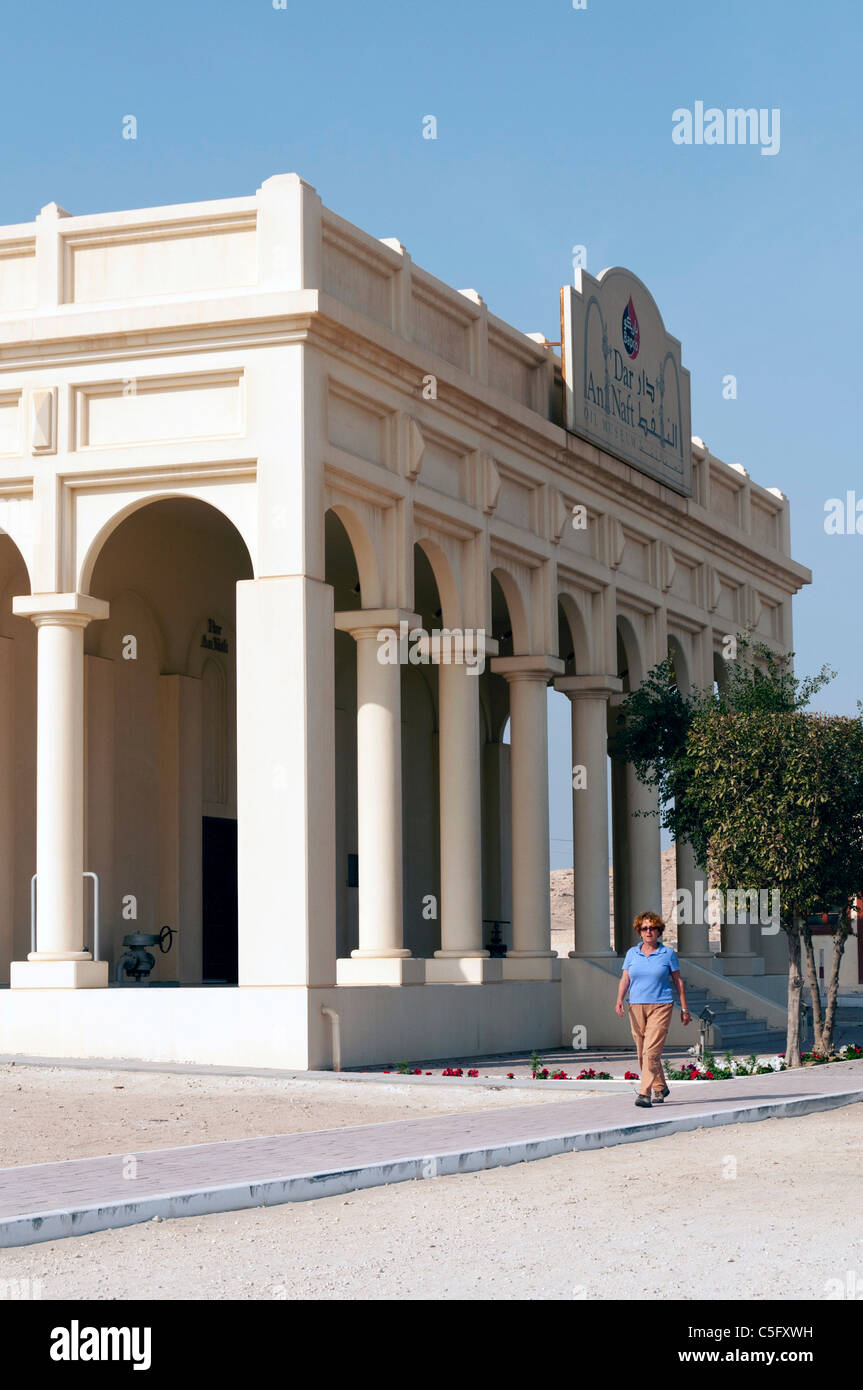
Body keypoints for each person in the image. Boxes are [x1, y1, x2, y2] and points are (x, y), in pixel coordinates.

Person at [615, 910, 691, 1107]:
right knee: (642, 1052)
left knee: (651, 1051)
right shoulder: (632, 953)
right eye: (644, 928)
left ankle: (644, 1093)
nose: (648, 931)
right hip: (636, 1006)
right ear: (639, 931)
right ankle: (660, 1087)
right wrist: (619, 999)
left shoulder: (668, 954)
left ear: (659, 931)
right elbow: (625, 978)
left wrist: (684, 1008)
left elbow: (678, 981)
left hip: (661, 1005)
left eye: (652, 928)